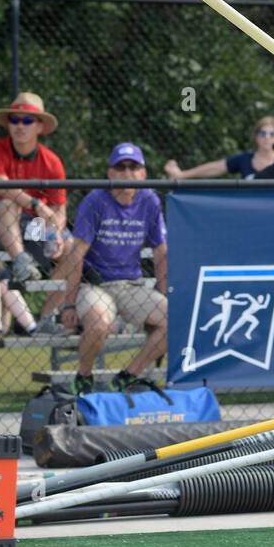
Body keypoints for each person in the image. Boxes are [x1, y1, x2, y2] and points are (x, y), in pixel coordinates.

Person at [59, 143, 168, 395]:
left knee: (174, 320)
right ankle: (84, 376)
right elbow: (77, 254)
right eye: (121, 167)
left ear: (143, 173)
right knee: (99, 324)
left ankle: (128, 376)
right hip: (96, 285)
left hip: (132, 285)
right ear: (110, 173)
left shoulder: (149, 200)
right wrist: (69, 303)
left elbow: (161, 251)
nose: (127, 173)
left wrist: (163, 292)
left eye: (134, 167)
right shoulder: (96, 200)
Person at [0, 92, 69, 293]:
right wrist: (36, 204)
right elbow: (0, 186)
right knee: (9, 204)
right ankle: (21, 263)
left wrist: (55, 233)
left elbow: (58, 209)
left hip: (30, 230)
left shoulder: (52, 161)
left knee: (71, 247)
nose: (20, 125)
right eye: (14, 120)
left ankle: (50, 315)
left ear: (40, 126)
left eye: (27, 120)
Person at [164, 115, 274, 180]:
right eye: (263, 133)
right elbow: (215, 168)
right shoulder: (244, 160)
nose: (267, 138)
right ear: (256, 136)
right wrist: (181, 175)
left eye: (272, 134)